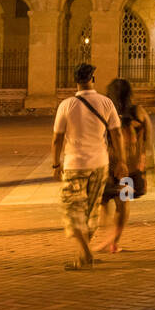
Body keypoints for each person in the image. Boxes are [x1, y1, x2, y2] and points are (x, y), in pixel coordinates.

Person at [52, 64, 126, 271]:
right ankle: (83, 255)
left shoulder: (66, 105)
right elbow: (116, 134)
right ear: (93, 78)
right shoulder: (105, 102)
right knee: (91, 212)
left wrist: (56, 164)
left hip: (75, 164)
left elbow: (57, 138)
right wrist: (121, 161)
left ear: (75, 81)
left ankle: (85, 254)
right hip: (100, 164)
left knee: (71, 209)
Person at [91, 78, 152, 255]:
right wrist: (143, 161)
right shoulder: (138, 112)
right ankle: (113, 242)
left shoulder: (104, 111)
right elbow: (147, 138)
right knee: (123, 204)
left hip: (109, 165)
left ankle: (106, 237)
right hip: (130, 168)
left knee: (103, 202)